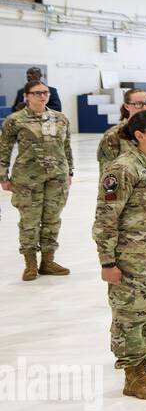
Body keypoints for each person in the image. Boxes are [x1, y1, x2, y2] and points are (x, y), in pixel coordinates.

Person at [92, 110, 146, 399]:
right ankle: (133, 374)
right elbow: (105, 219)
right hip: (132, 258)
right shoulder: (122, 169)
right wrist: (107, 262)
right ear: (140, 136)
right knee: (130, 315)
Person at [1, 79, 72, 280]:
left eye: (45, 92)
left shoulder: (60, 118)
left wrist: (70, 172)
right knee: (29, 221)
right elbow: (4, 149)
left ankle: (48, 262)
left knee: (52, 219)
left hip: (57, 177)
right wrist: (3, 176)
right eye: (37, 93)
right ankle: (30, 264)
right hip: (27, 179)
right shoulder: (14, 120)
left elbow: (66, 147)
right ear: (27, 96)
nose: (42, 96)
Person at [97, 88, 146, 173]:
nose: (144, 108)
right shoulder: (113, 135)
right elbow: (107, 173)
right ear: (126, 106)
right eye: (138, 104)